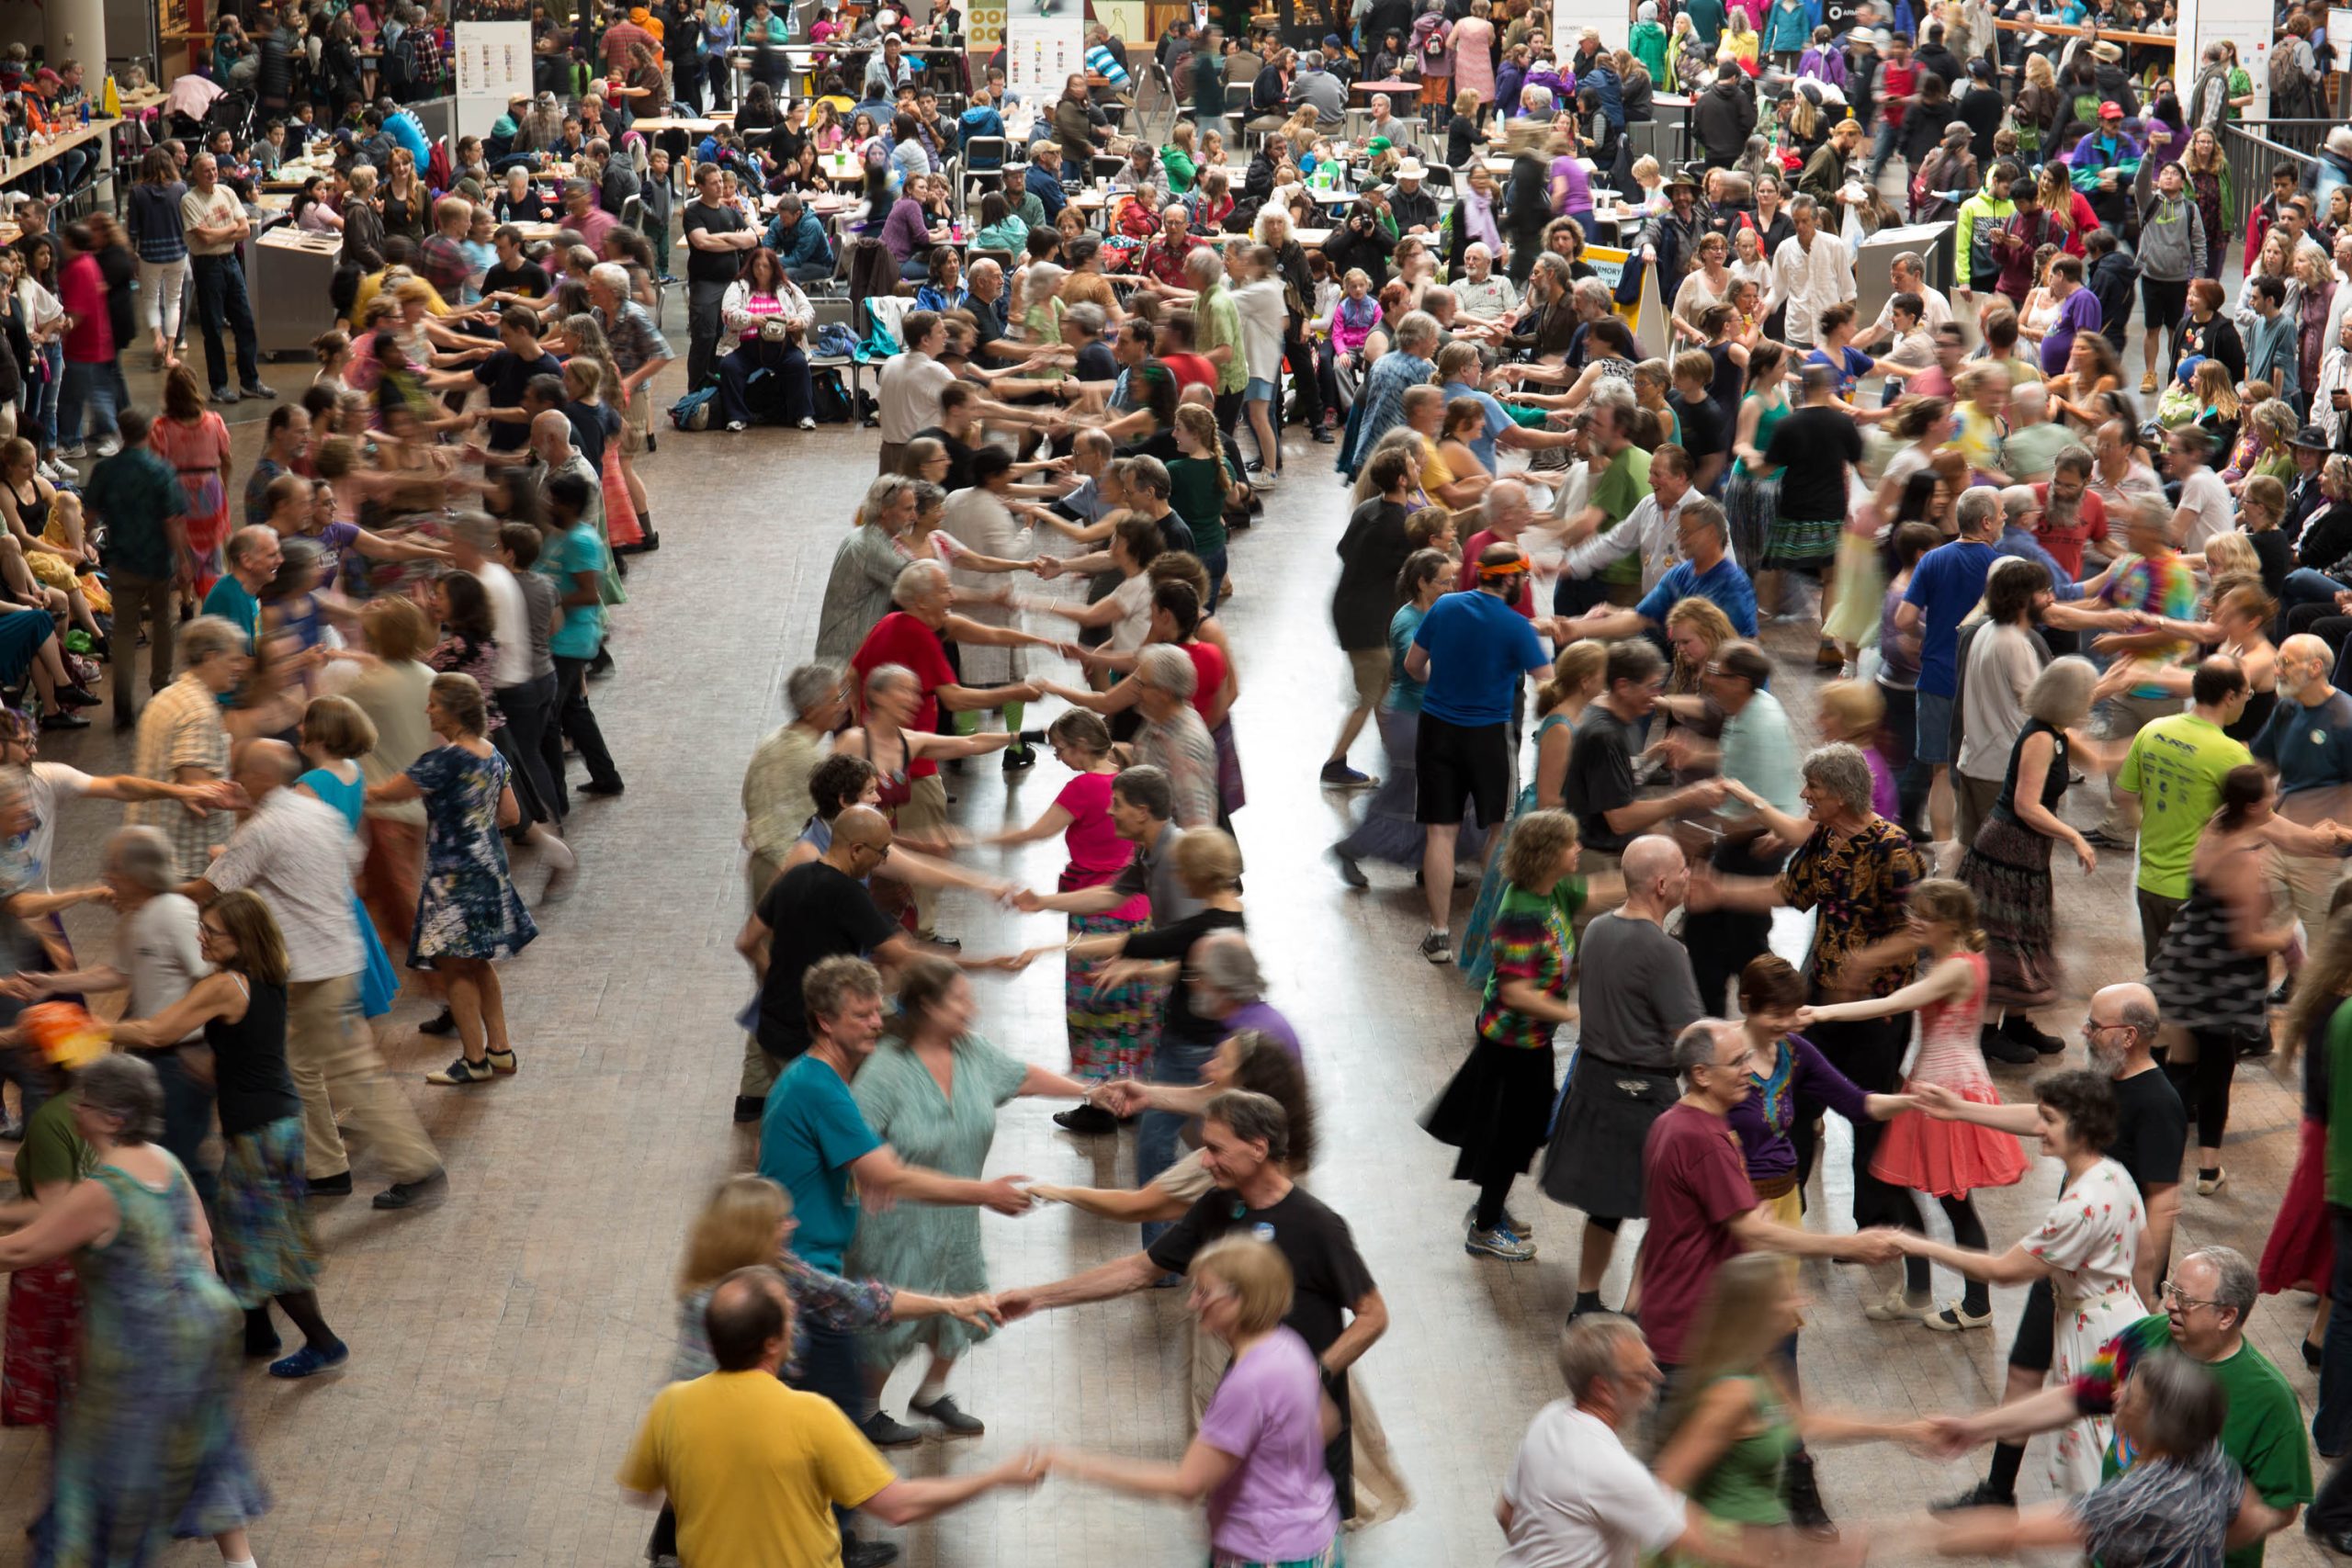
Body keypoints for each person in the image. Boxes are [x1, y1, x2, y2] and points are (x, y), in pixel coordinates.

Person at [998, 1090, 1387, 1522]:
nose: (1204, 1160)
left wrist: (1313, 1375)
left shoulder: (1319, 1226)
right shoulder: (1219, 1207)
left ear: (1258, 1148)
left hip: (1302, 1431)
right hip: (1245, 1409)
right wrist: (1037, 1297)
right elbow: (1138, 1271)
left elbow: (1373, 1316)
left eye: (1216, 1148)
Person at [0, 1054, 266, 1566]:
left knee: (102, 1474)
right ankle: (241, 1563)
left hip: (136, 1349)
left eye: (85, 1100)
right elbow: (202, 1238)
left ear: (111, 1118)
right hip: (200, 1326)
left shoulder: (104, 1190)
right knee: (204, 1447)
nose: (75, 1107)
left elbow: (19, 1251)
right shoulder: (163, 1161)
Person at [616, 1264, 1041, 1565]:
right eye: (790, 1317)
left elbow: (643, 1489)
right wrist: (995, 1478)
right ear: (772, 1344)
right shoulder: (810, 1415)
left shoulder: (671, 1406)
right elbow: (899, 1507)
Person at [1928, 1244, 2311, 1568]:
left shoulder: (2271, 1399)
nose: (2172, 1305)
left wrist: (2195, 1526)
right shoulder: (2147, 1336)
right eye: (2171, 1289)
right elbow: (2076, 1398)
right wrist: (1977, 1427)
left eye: (2188, 1300)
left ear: (2227, 1315)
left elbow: (2282, 1506)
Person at [106, 890, 346, 1379]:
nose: (200, 937)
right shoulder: (268, 972)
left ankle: (323, 1341)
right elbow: (248, 1046)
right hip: (273, 1122)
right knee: (238, 1234)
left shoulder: (226, 986)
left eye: (211, 931)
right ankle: (258, 1335)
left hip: (261, 1131)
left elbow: (156, 1033)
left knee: (265, 1240)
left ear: (241, 937)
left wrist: (91, 1026)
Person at [1892, 1068, 2146, 1491]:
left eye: (2049, 1120)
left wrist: (1917, 1244)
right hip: (2122, 1317)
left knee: (2096, 1454)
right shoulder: (2115, 1174)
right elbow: (2148, 1253)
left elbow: (2002, 1272)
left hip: (2092, 1334)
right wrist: (1956, 1109)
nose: (2039, 1129)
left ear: (2081, 1126)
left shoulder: (2078, 1207)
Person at [1798, 879, 2028, 1329]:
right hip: (1932, 1085)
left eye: (1923, 916)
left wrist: (1821, 1012)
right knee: (1893, 1183)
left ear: (1949, 922)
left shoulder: (1957, 967)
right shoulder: (1955, 958)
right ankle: (1919, 1292)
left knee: (1951, 1201)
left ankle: (1977, 1304)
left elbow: (1898, 1001)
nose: (1914, 922)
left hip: (1948, 1091)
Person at [1043, 1235, 1341, 1568]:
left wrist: (1071, 1463)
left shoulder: (1247, 1383)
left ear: (1241, 1299)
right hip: (1316, 1538)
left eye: (1204, 1292)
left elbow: (1187, 1483)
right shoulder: (1289, 1345)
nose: (1192, 1303)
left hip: (1264, 1552)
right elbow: (1325, 1423)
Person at [1541, 835, 1706, 1316]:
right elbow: (1688, 1037)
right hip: (1646, 1095)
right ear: (1660, 884)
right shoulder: (1666, 952)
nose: (1687, 877)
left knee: (1606, 1206)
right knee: (1676, 1206)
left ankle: (1587, 1301)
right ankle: (1635, 1311)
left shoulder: (1597, 930)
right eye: (1681, 870)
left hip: (1593, 1085)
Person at [1929, 1351, 2290, 1568]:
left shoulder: (2137, 1500)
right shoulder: (2209, 1456)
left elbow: (2013, 1532)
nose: (2116, 1396)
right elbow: (2250, 1519)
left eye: (2129, 1395)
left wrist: (1910, 1534)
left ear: (2154, 1423)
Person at [1421, 809, 1583, 1263]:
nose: (1579, 850)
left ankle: (1489, 1206)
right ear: (1548, 854)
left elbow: (1604, 890)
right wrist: (1571, 1014)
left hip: (1532, 1040)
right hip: (1511, 1043)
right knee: (1514, 1133)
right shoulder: (1520, 911)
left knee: (1521, 1128)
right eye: (1572, 844)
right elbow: (1515, 991)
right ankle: (1486, 1227)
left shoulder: (1552, 892)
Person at [363, 674, 538, 1087]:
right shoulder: (492, 753)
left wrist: (341, 786)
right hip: (489, 870)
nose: (428, 710)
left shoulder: (444, 760)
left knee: (456, 968)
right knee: (480, 963)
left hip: (452, 877)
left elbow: (389, 793)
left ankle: (474, 1059)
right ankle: (500, 1050)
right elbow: (510, 816)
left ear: (455, 709)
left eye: (435, 704)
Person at [1404, 544, 1557, 965]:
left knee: (1441, 832)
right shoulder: (1515, 627)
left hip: (1436, 730)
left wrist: (1444, 681)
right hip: (1490, 735)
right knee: (1498, 829)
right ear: (1508, 579)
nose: (1524, 586)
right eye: (1523, 579)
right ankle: (1492, 931)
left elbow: (1413, 665)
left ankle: (1438, 935)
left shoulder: (1445, 607)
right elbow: (1548, 685)